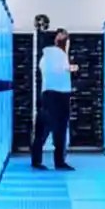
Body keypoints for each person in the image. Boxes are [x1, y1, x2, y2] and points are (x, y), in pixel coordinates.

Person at [32, 29, 78, 170]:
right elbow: (62, 69)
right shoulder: (57, 54)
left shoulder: (46, 56)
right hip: (58, 95)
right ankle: (58, 161)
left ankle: (38, 160)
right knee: (58, 129)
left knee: (45, 129)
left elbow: (47, 71)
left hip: (49, 94)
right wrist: (73, 68)